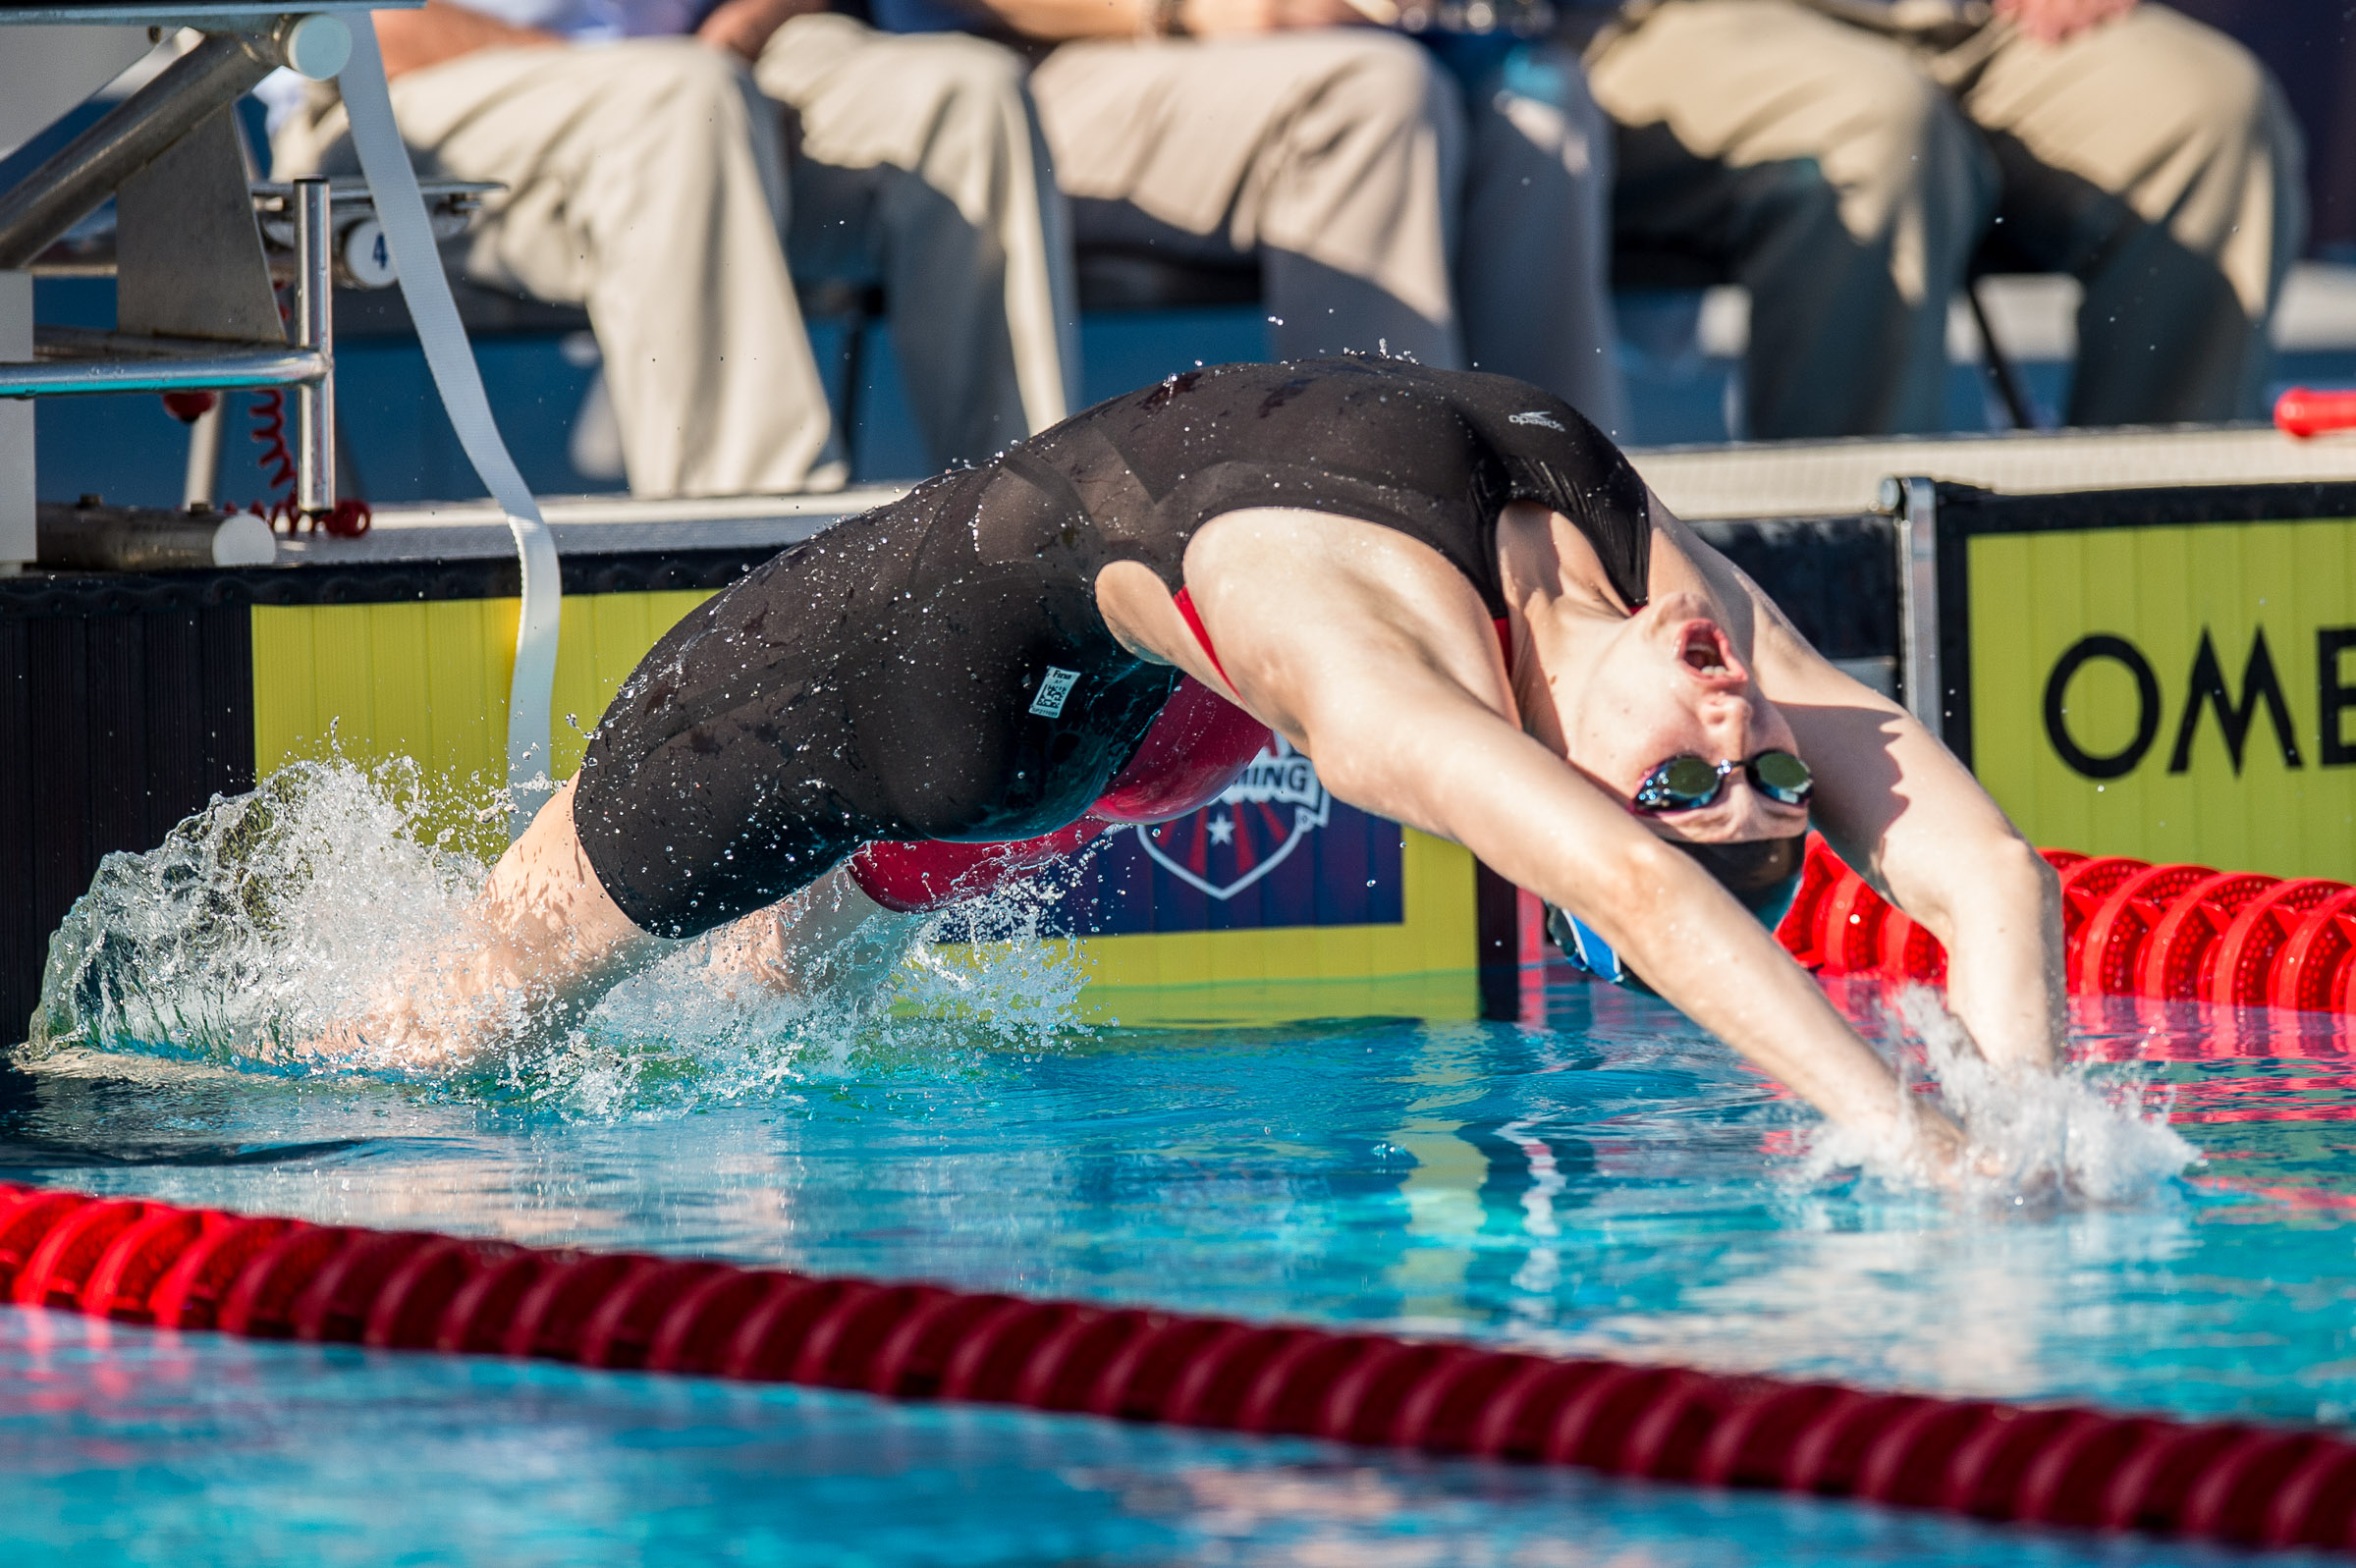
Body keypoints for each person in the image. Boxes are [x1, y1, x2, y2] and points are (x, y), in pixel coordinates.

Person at [363, 357, 2061, 1169]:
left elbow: (1624, 882)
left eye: (1695, 786)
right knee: (599, 1014)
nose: (1742, 734)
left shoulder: (1378, 688)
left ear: (1560, 785)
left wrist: (1908, 1146)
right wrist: (2019, 1125)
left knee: (446, 1043)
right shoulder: (1673, 603)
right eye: (1771, 777)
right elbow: (1988, 874)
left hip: (877, 694)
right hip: (1091, 705)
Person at [266, 0, 1078, 497]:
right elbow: (369, 23)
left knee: (969, 96)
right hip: (389, 94)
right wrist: (673, 76)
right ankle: (765, 596)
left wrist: (746, 28)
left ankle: (1040, 541)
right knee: (687, 105)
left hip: (706, 73)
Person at [865, 0, 1627, 434]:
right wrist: (1185, 10)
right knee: (1372, 93)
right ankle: (1385, 513)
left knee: (1539, 107)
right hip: (1018, 71)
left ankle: (1573, 518)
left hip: (1349, 49)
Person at [1582, 0, 2306, 436]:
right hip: (1691, 21)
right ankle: (1850, 593)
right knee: (1881, 134)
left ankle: (2144, 572)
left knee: (2214, 114)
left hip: (1964, 20)